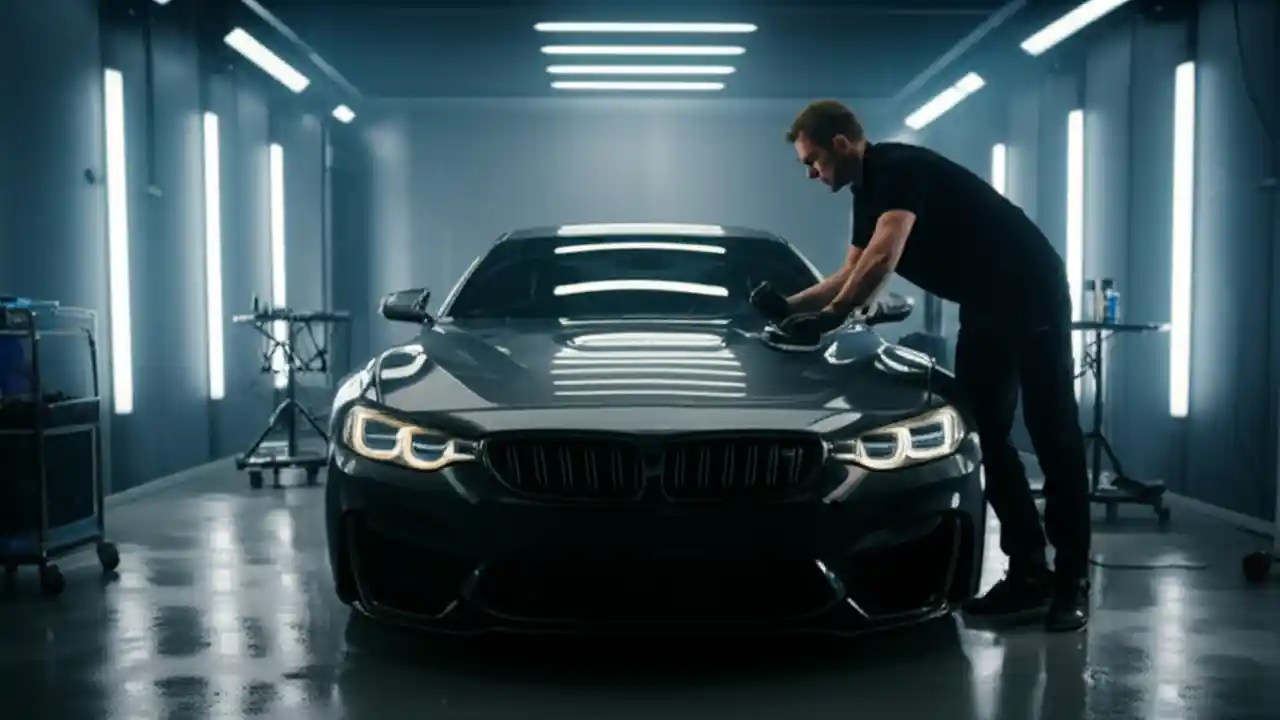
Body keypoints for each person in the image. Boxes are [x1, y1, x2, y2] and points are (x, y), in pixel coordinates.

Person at [752, 99, 1092, 632]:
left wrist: (832, 318)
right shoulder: (867, 193)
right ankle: (1031, 575)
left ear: (841, 144)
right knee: (988, 434)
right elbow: (851, 272)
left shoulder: (898, 169)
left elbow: (884, 257)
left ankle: (1072, 583)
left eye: (812, 160)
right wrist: (791, 307)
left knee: (1054, 433)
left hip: (1032, 293)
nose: (811, 173)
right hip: (983, 304)